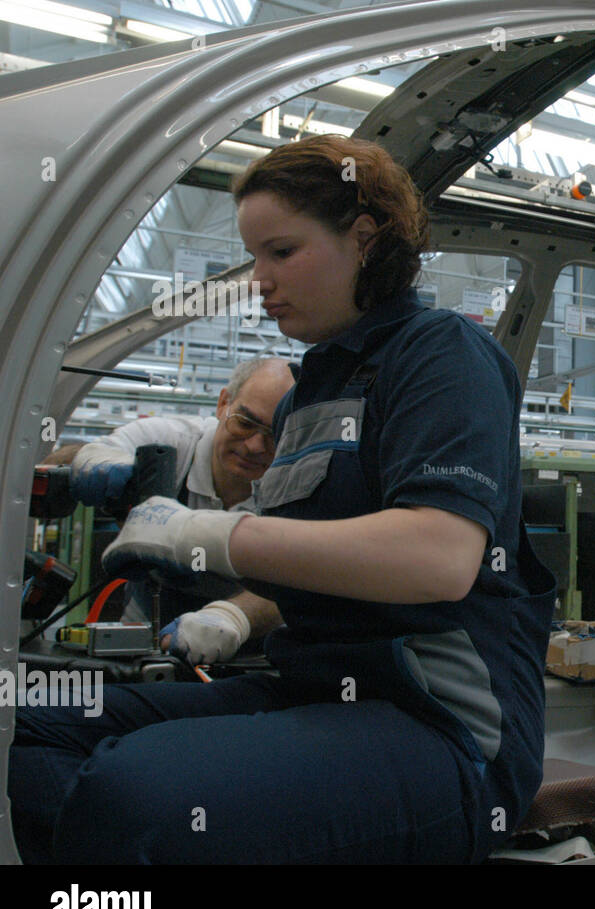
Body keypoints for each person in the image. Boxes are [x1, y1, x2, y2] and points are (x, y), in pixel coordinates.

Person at [8, 134, 556, 864]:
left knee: (133, 794)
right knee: (33, 721)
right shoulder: (309, 394)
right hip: (316, 688)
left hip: (443, 725)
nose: (258, 279)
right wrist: (223, 598)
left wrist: (209, 533)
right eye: (254, 256)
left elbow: (438, 557)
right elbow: (304, 558)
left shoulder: (441, 354)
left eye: (281, 252)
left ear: (363, 239)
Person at [43, 357, 295, 662]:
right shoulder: (166, 443)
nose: (255, 446)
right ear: (223, 403)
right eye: (245, 423)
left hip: (250, 655)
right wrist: (83, 459)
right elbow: (50, 468)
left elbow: (297, 581)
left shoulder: (295, 484)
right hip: (140, 641)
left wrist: (232, 617)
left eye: (275, 434)